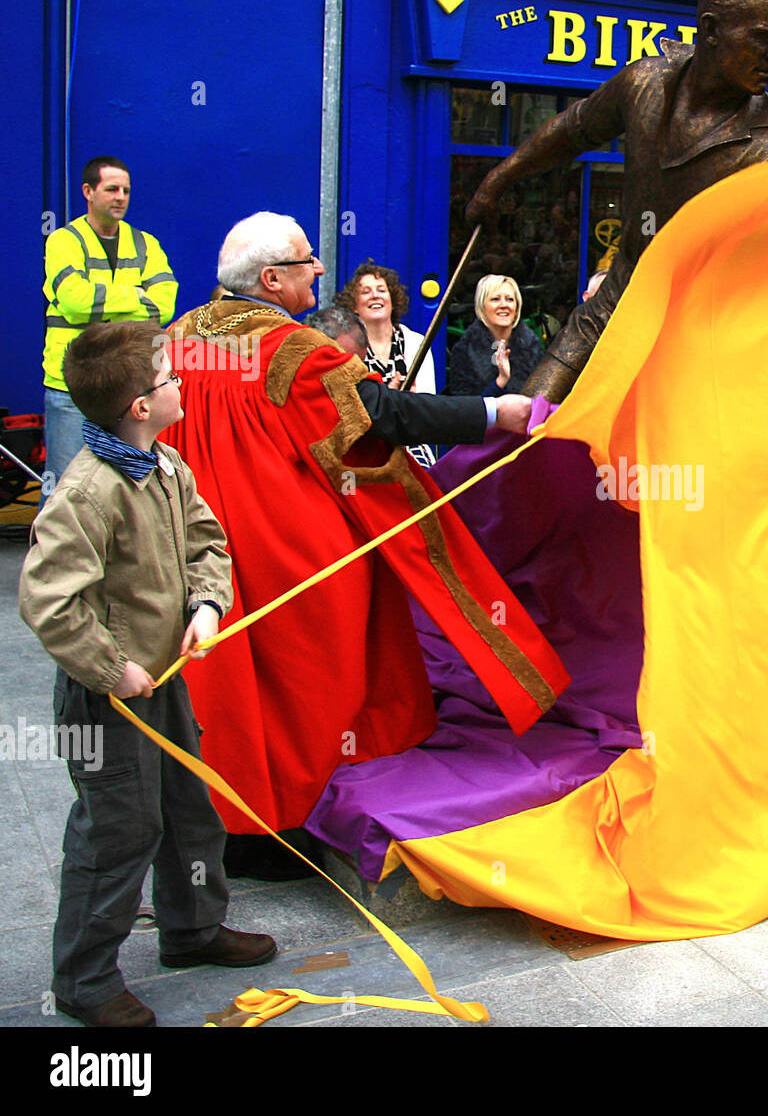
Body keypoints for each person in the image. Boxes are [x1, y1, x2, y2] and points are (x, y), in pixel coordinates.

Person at [160, 212, 567, 874]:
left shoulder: (179, 335)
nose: (320, 272)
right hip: (283, 542)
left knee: (227, 685)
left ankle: (224, 823)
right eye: (306, 262)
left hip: (196, 537)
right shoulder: (292, 351)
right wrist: (497, 412)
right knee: (303, 682)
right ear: (269, 280)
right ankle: (288, 825)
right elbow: (382, 417)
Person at [19, 320, 276, 1027]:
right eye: (169, 378)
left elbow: (205, 540)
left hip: (161, 685)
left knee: (188, 812)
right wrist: (111, 666)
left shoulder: (165, 467)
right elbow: (46, 601)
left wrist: (207, 602)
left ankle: (192, 929)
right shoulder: (88, 493)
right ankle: (85, 979)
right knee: (115, 833)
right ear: (140, 405)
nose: (181, 382)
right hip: (103, 701)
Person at [466, 0, 768, 400]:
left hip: (699, 343)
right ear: (711, 30)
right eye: (763, 36)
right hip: (614, 303)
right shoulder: (644, 82)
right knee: (527, 421)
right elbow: (573, 129)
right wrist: (497, 180)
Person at [42, 156, 178, 488]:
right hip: (71, 383)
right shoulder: (63, 241)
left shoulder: (145, 244)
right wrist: (135, 296)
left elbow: (163, 306)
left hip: (128, 387)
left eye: (126, 191)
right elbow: (75, 303)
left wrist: (102, 299)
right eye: (112, 189)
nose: (121, 197)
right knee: (66, 485)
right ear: (88, 191)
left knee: (125, 483)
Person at [333, 260, 437, 393]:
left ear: (392, 301)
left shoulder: (417, 343)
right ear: (354, 306)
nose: (375, 296)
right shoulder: (347, 347)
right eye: (366, 292)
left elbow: (428, 399)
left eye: (381, 290)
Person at [446, 274, 545, 397]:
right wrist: (501, 381)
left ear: (517, 307)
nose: (504, 305)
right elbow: (466, 408)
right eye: (495, 299)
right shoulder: (465, 349)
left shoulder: (532, 346)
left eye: (510, 299)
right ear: (482, 306)